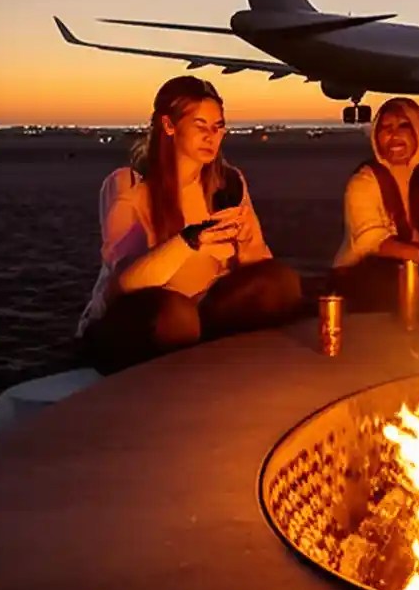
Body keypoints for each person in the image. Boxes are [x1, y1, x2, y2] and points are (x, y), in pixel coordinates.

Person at [78, 76, 302, 373]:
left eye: (218, 127)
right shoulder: (130, 184)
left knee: (281, 282)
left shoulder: (228, 183)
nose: (211, 136)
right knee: (176, 316)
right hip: (143, 317)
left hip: (206, 312)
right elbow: (126, 283)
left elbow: (258, 265)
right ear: (169, 126)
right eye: (200, 125)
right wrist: (190, 241)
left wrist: (247, 242)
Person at [331, 97, 419, 310]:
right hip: (366, 269)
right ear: (376, 136)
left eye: (403, 126)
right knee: (395, 285)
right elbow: (371, 243)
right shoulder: (364, 182)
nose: (394, 134)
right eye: (386, 127)